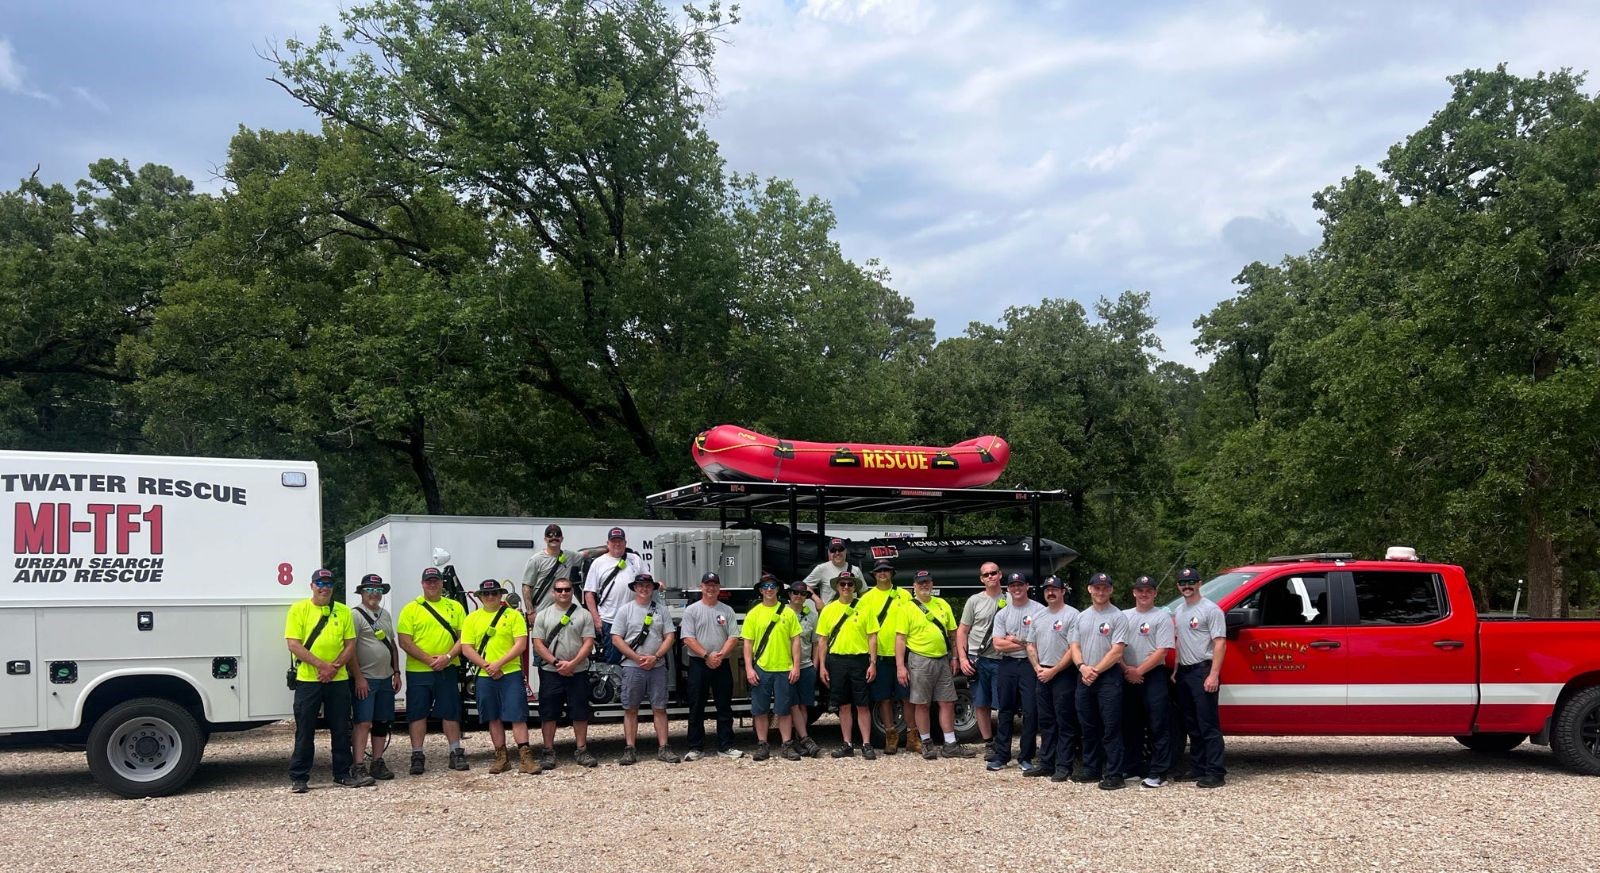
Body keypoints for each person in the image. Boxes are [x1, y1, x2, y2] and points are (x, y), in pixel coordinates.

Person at [285, 568, 371, 792]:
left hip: (339, 679)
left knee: (341, 728)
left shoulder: (342, 611)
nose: (324, 588)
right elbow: (294, 644)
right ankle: (299, 777)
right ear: (311, 586)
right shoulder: (299, 609)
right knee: (305, 729)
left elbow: (350, 644)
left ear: (333, 587)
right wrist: (322, 666)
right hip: (308, 679)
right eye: (320, 583)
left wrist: (334, 667)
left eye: (328, 584)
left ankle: (342, 773)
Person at [893, 570, 976, 760]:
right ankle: (927, 743)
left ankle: (950, 743)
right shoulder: (907, 608)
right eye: (920, 583)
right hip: (919, 659)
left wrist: (955, 657)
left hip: (942, 660)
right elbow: (900, 639)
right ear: (914, 586)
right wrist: (900, 666)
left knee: (946, 702)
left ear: (932, 584)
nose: (924, 586)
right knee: (922, 704)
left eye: (927, 582)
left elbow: (953, 634)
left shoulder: (942, 604)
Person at [397, 566, 469, 774]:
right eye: (428, 581)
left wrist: (447, 657)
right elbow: (404, 641)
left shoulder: (455, 606)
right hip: (419, 670)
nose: (432, 584)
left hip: (447, 667)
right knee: (417, 713)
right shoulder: (411, 609)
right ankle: (417, 755)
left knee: (451, 711)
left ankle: (456, 752)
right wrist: (430, 660)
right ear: (422, 584)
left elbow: (463, 637)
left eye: (435, 580)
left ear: (441, 583)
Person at [461, 579, 537, 775]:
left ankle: (525, 758)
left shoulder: (513, 616)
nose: (490, 597)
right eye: (486, 594)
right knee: (492, 716)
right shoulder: (472, 619)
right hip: (484, 673)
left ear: (500, 594)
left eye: (494, 593)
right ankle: (501, 758)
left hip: (510, 672)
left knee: (517, 715)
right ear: (480, 596)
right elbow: (466, 648)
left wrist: (498, 664)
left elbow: (520, 644)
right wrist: (487, 665)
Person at [529, 573, 599, 769]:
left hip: (578, 671)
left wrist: (573, 663)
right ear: (553, 593)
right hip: (551, 671)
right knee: (549, 713)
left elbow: (588, 642)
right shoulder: (543, 615)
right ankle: (548, 751)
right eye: (559, 590)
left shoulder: (583, 614)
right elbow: (538, 644)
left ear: (571, 591)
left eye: (567, 589)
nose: (563, 593)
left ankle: (582, 750)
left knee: (580, 712)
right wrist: (557, 662)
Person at [611, 572, 680, 764]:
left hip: (657, 666)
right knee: (631, 708)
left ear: (653, 588)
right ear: (634, 588)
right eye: (640, 585)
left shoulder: (661, 610)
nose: (644, 589)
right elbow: (616, 638)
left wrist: (655, 656)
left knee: (660, 707)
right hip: (632, 666)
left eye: (648, 585)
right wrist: (637, 657)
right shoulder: (625, 610)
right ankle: (630, 748)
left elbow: (669, 636)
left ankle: (664, 747)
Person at [1072, 572, 1131, 790]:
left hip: (1107, 677)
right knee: (1088, 726)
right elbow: (1074, 646)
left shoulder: (1118, 617)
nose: (1101, 591)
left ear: (1111, 590)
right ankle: (1091, 769)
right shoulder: (1081, 617)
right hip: (1085, 675)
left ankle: (1115, 774)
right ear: (1090, 589)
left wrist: (1094, 670)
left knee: (1111, 727)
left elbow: (1117, 651)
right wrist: (1082, 667)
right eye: (1097, 587)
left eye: (1105, 588)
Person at [1173, 567, 1228, 788]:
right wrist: (1176, 668)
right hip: (1185, 672)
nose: (1187, 586)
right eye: (1183, 583)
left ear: (1199, 583)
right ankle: (1198, 767)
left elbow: (1220, 643)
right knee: (1192, 724)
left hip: (1203, 670)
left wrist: (1213, 674)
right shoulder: (1179, 610)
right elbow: (1180, 641)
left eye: (1191, 582)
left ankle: (1216, 772)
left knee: (1208, 724)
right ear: (1178, 586)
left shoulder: (1211, 610)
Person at [679, 571, 742, 761]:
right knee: (696, 706)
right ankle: (696, 747)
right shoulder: (692, 610)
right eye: (707, 584)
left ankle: (725, 746)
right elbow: (687, 638)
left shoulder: (727, 610)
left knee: (724, 706)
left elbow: (733, 636)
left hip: (721, 663)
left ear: (719, 588)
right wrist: (707, 655)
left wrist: (720, 654)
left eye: (714, 585)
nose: (711, 588)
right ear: (701, 587)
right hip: (699, 663)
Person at [816, 570, 879, 759]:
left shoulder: (865, 608)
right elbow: (822, 640)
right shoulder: (828, 609)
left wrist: (873, 663)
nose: (846, 587)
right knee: (843, 705)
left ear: (855, 587)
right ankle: (847, 744)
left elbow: (872, 637)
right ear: (837, 586)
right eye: (842, 584)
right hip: (837, 661)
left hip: (860, 660)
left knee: (862, 704)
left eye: (849, 584)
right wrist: (822, 666)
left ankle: (867, 744)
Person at [1122, 575, 1177, 788]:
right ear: (1134, 592)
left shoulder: (1161, 617)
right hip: (1127, 673)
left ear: (1155, 593)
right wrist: (1126, 669)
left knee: (1158, 724)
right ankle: (1133, 766)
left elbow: (1163, 650)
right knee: (1130, 724)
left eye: (1148, 590)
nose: (1144, 594)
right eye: (1140, 590)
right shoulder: (1123, 616)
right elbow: (1116, 646)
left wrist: (1139, 671)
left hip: (1153, 675)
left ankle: (1159, 772)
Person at [742, 573, 803, 761]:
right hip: (762, 668)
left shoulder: (788, 613)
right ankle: (762, 745)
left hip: (784, 668)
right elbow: (747, 644)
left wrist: (796, 666)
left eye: (772, 586)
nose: (769, 590)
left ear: (778, 590)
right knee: (760, 710)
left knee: (784, 709)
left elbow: (795, 641)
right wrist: (749, 669)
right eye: (765, 587)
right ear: (761, 591)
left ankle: (786, 745)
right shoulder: (753, 614)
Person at [1025, 575, 1080, 782]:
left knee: (1064, 720)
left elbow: (1073, 648)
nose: (1051, 592)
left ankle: (1064, 765)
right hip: (1042, 673)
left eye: (1055, 589)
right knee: (1046, 721)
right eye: (1047, 589)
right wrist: (1038, 667)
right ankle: (1046, 763)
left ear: (1062, 592)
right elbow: (1030, 644)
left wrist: (1054, 670)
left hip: (1063, 673)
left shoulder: (1073, 615)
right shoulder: (1039, 616)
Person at [989, 571, 1045, 773]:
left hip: (1030, 665)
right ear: (1008, 589)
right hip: (1008, 665)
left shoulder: (1039, 610)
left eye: (1020, 585)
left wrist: (1015, 640)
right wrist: (1024, 643)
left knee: (1031, 711)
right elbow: (998, 645)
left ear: (1027, 586)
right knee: (1005, 710)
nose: (1016, 589)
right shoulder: (1003, 614)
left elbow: (1038, 643)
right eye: (1012, 586)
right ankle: (1002, 755)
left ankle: (1026, 756)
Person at [858, 560, 914, 754]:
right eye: (879, 571)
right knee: (884, 699)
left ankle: (912, 736)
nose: (883, 574)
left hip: (902, 654)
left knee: (906, 697)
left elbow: (912, 620)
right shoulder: (866, 597)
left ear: (892, 573)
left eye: (886, 570)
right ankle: (891, 736)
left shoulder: (904, 595)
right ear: (874, 575)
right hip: (879, 655)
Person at [350, 573, 401, 782]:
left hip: (385, 677)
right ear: (361, 592)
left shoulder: (385, 615)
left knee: (382, 721)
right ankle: (358, 764)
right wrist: (359, 677)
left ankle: (377, 761)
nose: (374, 594)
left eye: (378, 590)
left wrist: (396, 672)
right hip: (366, 678)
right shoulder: (355, 615)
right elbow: (349, 650)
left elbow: (393, 646)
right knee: (363, 722)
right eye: (370, 589)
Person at [956, 561, 1005, 757]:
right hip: (977, 659)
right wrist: (962, 658)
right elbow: (962, 631)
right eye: (986, 575)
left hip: (1003, 659)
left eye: (993, 573)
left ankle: (1004, 741)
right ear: (981, 579)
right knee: (981, 703)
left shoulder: (1011, 599)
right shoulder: (974, 601)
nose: (990, 577)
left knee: (1004, 704)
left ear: (1000, 575)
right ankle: (989, 744)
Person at [584, 526, 643, 665]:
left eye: (620, 541)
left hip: (634, 619)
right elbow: (589, 593)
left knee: (635, 659)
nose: (617, 544)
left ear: (625, 542)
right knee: (612, 661)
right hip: (610, 621)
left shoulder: (635, 559)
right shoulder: (598, 563)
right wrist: (596, 619)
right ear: (608, 543)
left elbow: (647, 583)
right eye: (613, 541)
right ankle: (612, 687)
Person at [788, 580, 822, 758]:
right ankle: (801, 738)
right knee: (791, 704)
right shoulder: (783, 613)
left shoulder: (811, 615)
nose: (799, 596)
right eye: (795, 593)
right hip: (786, 666)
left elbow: (816, 643)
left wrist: (815, 665)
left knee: (803, 704)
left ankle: (800, 739)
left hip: (806, 665)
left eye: (803, 594)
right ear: (789, 594)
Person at [523, 523, 580, 615]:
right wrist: (530, 612)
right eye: (550, 535)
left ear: (562, 539)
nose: (554, 538)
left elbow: (587, 554)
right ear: (545, 539)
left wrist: (608, 548)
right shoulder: (536, 560)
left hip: (562, 612)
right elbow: (526, 587)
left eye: (557, 535)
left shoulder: (570, 556)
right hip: (540, 612)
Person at [801, 537, 862, 608]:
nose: (837, 553)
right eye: (833, 550)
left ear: (845, 551)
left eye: (840, 549)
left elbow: (863, 591)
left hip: (851, 612)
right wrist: (817, 600)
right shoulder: (821, 568)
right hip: (828, 612)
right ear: (829, 552)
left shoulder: (856, 570)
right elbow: (805, 586)